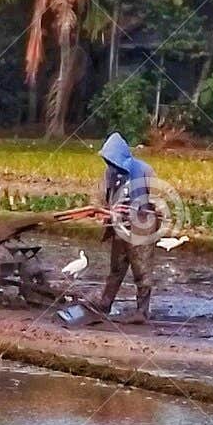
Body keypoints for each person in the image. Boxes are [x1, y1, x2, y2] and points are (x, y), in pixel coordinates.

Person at [89, 131, 160, 323]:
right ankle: (105, 303)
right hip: (119, 226)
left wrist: (145, 211)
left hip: (141, 227)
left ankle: (142, 312)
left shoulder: (144, 170)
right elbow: (99, 197)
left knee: (142, 270)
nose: (110, 164)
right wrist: (108, 210)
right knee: (116, 268)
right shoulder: (109, 174)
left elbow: (157, 198)